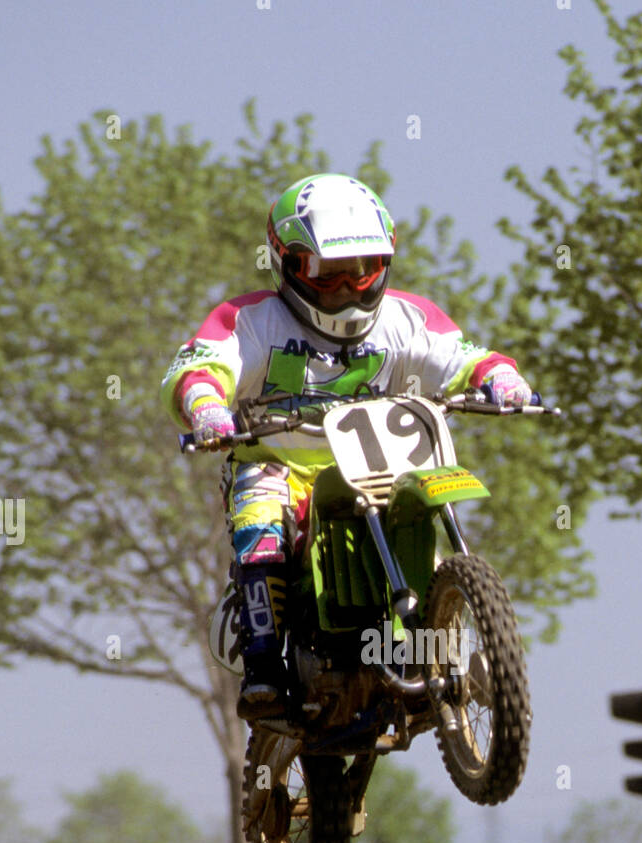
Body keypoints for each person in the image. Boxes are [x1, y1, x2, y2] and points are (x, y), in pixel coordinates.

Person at [160, 172, 533, 721]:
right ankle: (264, 668)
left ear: (385, 263)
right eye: (328, 273)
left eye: (364, 272)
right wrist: (207, 407)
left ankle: (429, 650)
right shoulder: (252, 321)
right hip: (279, 462)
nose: (346, 289)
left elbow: (461, 356)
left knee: (418, 523)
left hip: (381, 465)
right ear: (288, 263)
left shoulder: (408, 318)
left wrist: (499, 378)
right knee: (259, 524)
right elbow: (202, 365)